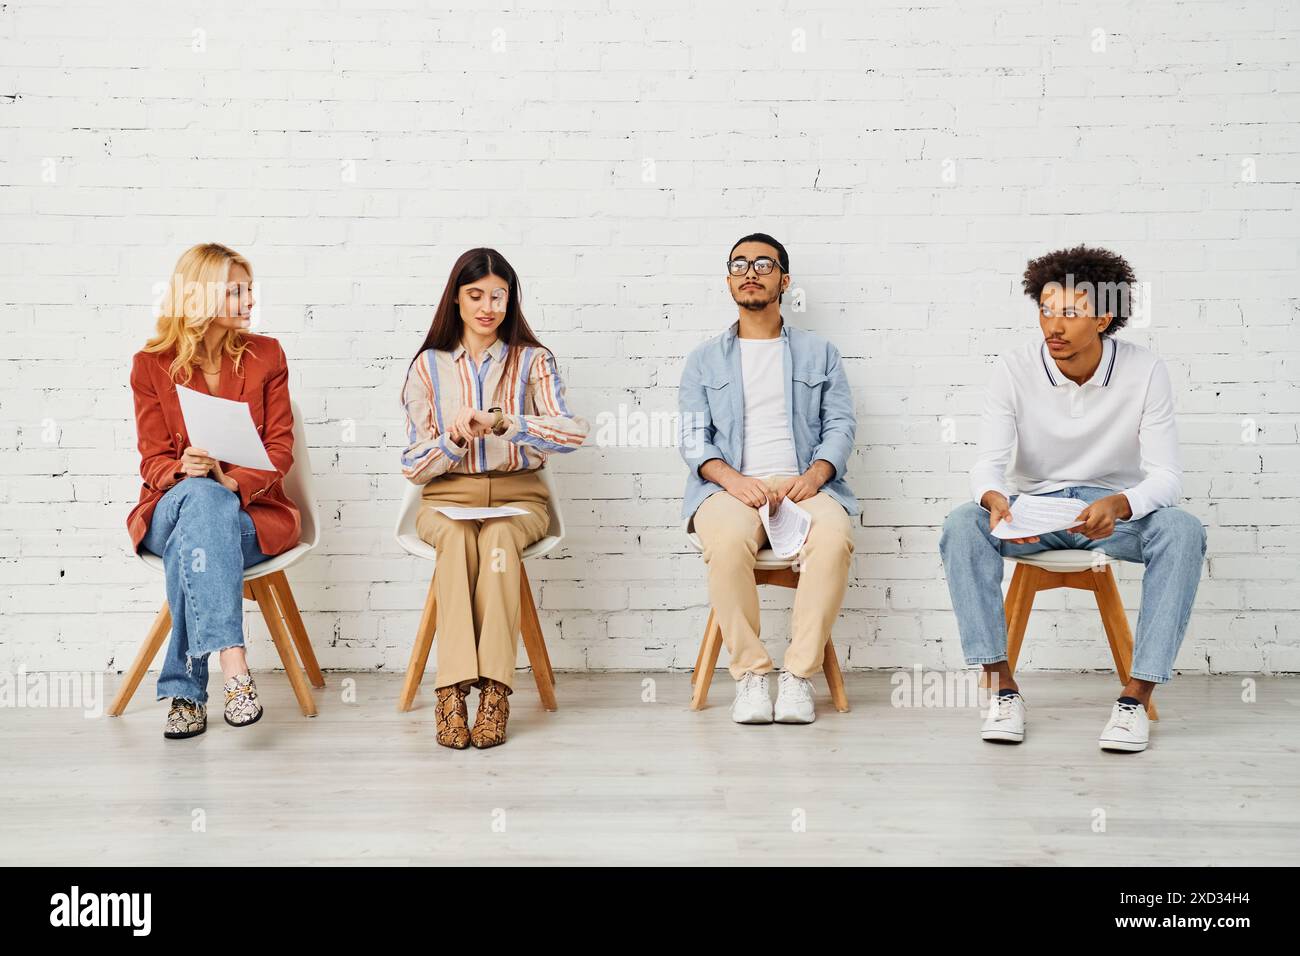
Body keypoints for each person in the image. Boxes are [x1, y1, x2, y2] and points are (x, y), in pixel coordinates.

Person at [940, 245, 1206, 753]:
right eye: (1045, 309)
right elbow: (987, 464)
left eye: (1070, 313)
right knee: (961, 524)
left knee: (1182, 529)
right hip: (1033, 510)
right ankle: (1001, 689)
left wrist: (1122, 504)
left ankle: (1135, 698)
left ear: (1104, 317)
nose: (1053, 326)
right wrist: (992, 496)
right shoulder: (1014, 368)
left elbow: (1168, 475)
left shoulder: (1145, 370)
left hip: (1112, 513)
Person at [400, 248, 588, 749]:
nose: (487, 307)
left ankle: (496, 693)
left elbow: (571, 434)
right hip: (447, 497)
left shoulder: (533, 359)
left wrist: (506, 422)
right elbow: (413, 465)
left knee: (500, 538)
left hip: (518, 496)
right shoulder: (427, 366)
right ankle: (451, 693)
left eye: (498, 296)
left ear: (511, 299)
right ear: (456, 300)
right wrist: (454, 440)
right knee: (459, 538)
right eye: (476, 295)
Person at [679, 233, 857, 725]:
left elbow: (840, 424)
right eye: (739, 264)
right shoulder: (704, 360)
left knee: (835, 536)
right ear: (728, 279)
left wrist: (817, 474)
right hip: (729, 487)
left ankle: (798, 677)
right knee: (729, 541)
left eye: (763, 263)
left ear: (784, 279)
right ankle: (752, 676)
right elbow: (694, 438)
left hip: (804, 483)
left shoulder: (821, 353)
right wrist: (732, 481)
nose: (750, 271)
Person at [127, 243, 300, 739]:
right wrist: (183, 469)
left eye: (250, 289)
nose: (249, 301)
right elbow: (151, 460)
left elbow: (280, 449)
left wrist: (231, 482)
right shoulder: (151, 364)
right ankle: (234, 663)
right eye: (235, 291)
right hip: (171, 508)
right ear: (200, 295)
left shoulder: (267, 355)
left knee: (203, 523)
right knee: (199, 500)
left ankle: (185, 691)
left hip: (248, 515)